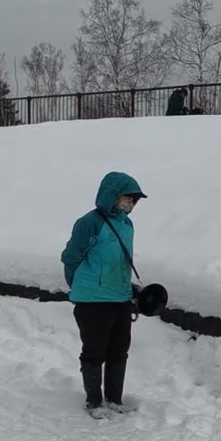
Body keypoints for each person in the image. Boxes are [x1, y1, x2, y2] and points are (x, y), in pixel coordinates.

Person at [60, 171, 147, 419]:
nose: (130, 203)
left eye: (133, 200)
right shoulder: (90, 222)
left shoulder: (127, 225)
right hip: (93, 300)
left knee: (119, 349)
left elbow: (120, 261)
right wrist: (81, 286)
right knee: (94, 350)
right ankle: (94, 402)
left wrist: (127, 287)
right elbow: (71, 258)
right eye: (127, 197)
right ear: (113, 195)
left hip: (119, 297)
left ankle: (114, 399)